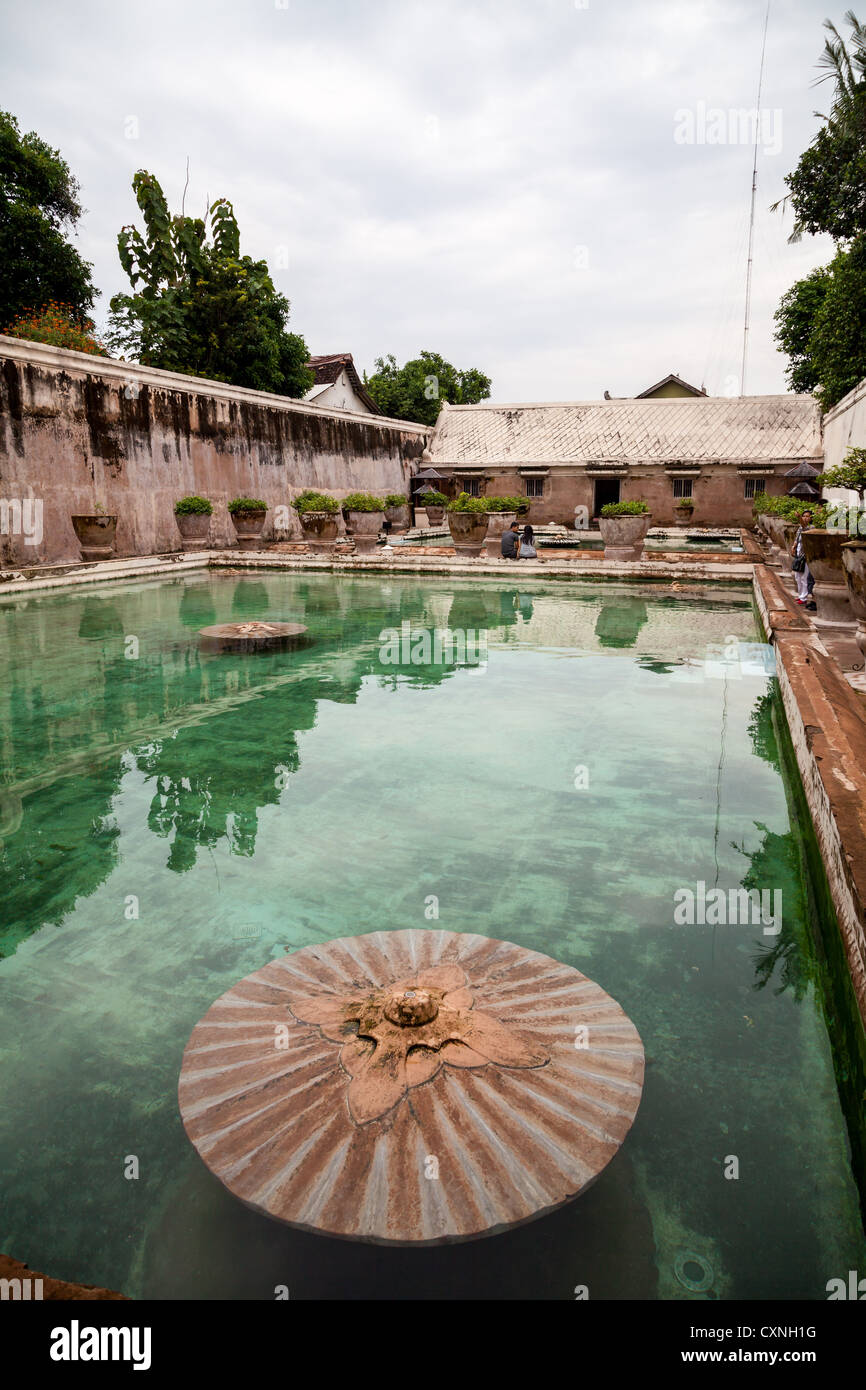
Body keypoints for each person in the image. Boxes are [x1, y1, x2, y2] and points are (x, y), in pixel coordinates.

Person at [791, 511, 815, 606]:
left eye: (807, 516)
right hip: (799, 554)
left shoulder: (811, 527)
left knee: (804, 577)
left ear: (811, 518)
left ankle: (804, 597)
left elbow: (804, 526)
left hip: (805, 555)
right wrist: (793, 547)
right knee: (798, 577)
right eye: (804, 516)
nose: (805, 518)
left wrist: (799, 517)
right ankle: (800, 595)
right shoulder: (800, 528)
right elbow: (797, 538)